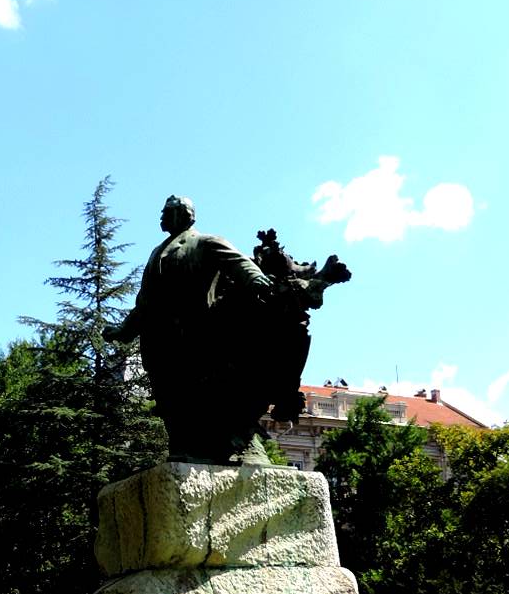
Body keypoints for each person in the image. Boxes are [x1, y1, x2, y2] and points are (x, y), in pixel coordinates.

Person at [107, 196, 349, 463]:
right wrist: (124, 330)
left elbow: (240, 264)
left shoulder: (206, 242)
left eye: (166, 212)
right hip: (161, 338)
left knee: (201, 391)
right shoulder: (156, 253)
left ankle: (224, 445)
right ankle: (184, 446)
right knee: (169, 395)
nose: (161, 217)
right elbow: (146, 300)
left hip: (197, 331)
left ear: (183, 215)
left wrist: (260, 282)